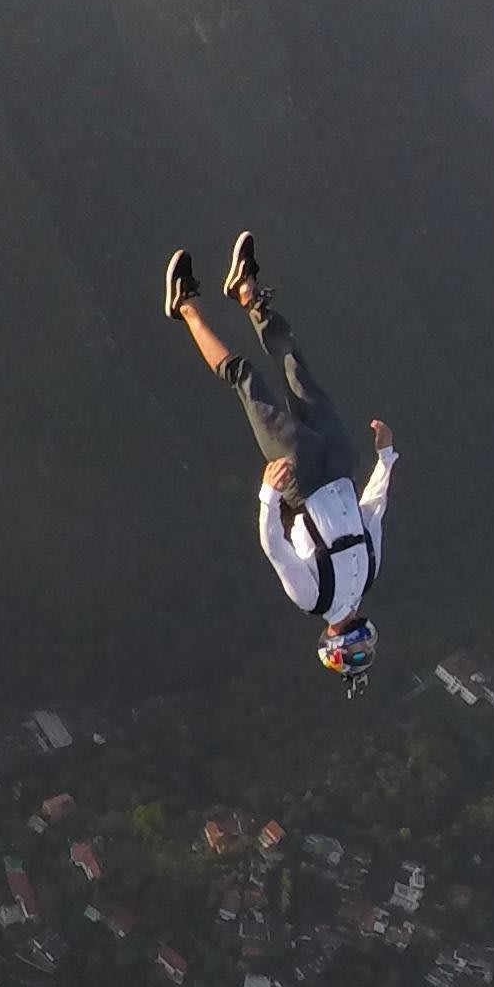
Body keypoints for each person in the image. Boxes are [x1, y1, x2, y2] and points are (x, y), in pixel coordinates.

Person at [164, 231, 392, 681]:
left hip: (301, 479)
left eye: (355, 654)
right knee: (295, 364)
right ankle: (246, 293)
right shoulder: (368, 576)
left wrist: (269, 493)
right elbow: (373, 512)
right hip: (339, 463)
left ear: (334, 650)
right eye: (367, 651)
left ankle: (185, 307)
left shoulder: (314, 598)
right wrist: (385, 456)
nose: (362, 644)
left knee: (247, 379)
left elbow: (274, 547)